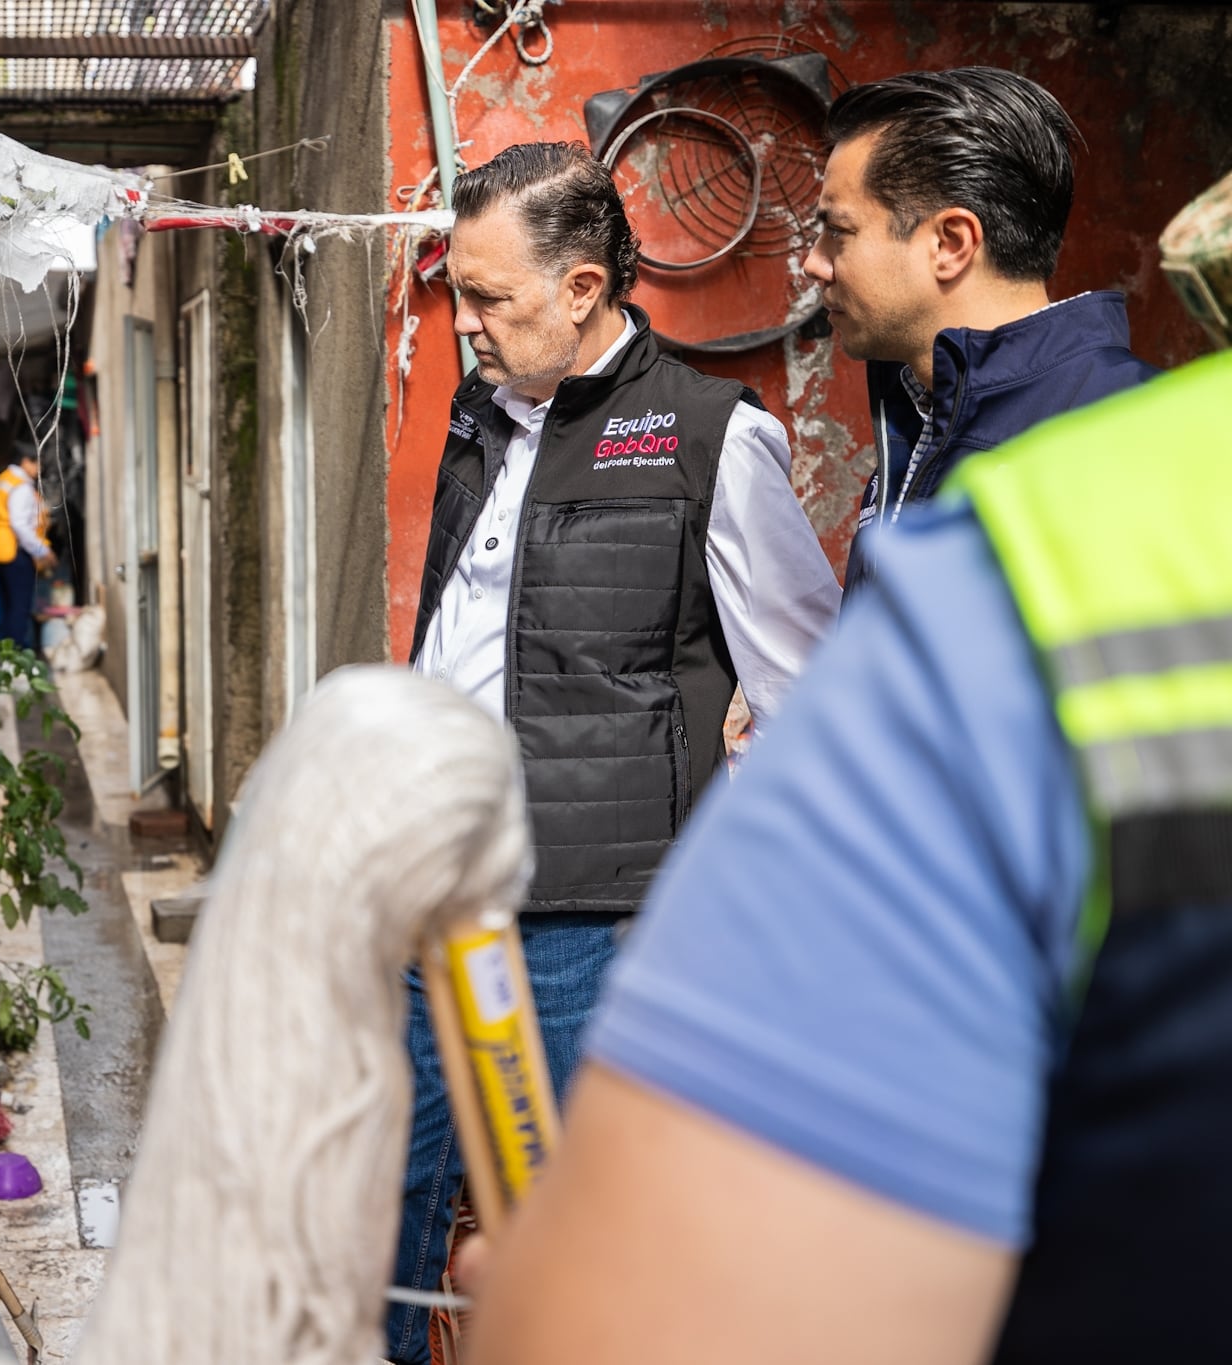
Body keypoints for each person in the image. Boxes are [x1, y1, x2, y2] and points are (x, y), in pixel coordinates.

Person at [464, 227, 1232, 1362]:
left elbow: (655, 1320)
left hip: (610, 904)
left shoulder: (1051, 551)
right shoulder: (485, 426)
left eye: (833, 229)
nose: (809, 263)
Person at [390, 141, 841, 1364]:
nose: (463, 322)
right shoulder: (479, 418)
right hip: (444, 901)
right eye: (456, 292)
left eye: (488, 296)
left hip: (597, 923)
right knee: (393, 1201)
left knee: (574, 1240)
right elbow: (456, 635)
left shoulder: (707, 436)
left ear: (582, 288)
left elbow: (802, 690)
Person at [806, 67, 1157, 590]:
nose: (815, 263)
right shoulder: (921, 411)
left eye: (838, 232)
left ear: (950, 243)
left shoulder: (1129, 437)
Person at [0, 443, 55, 651]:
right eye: (37, 464)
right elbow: (20, 524)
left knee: (8, 606)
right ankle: (14, 656)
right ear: (25, 461)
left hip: (0, 549)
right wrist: (43, 550)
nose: (39, 470)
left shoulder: (3, 480)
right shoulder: (21, 486)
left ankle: (7, 655)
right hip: (15, 551)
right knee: (19, 607)